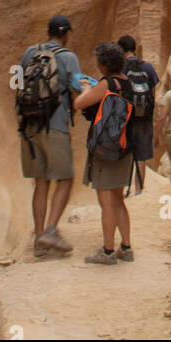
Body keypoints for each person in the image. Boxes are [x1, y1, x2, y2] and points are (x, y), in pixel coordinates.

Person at [19, 14, 82, 256]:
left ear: (48, 32)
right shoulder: (69, 57)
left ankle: (38, 238)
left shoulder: (28, 54)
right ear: (65, 35)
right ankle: (51, 230)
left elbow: (16, 84)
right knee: (65, 179)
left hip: (29, 127)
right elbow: (77, 91)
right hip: (56, 125)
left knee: (40, 182)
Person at [74, 41, 135, 265]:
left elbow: (81, 103)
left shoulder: (106, 84)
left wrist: (84, 87)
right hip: (124, 147)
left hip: (105, 150)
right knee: (118, 200)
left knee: (106, 202)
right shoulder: (127, 83)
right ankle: (126, 248)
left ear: (103, 65)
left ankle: (108, 252)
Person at [117, 34, 159, 193]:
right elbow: (153, 94)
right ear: (134, 49)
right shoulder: (147, 67)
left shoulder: (120, 68)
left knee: (124, 153)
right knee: (140, 157)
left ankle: (121, 191)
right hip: (144, 118)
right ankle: (139, 190)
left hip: (126, 118)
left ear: (121, 50)